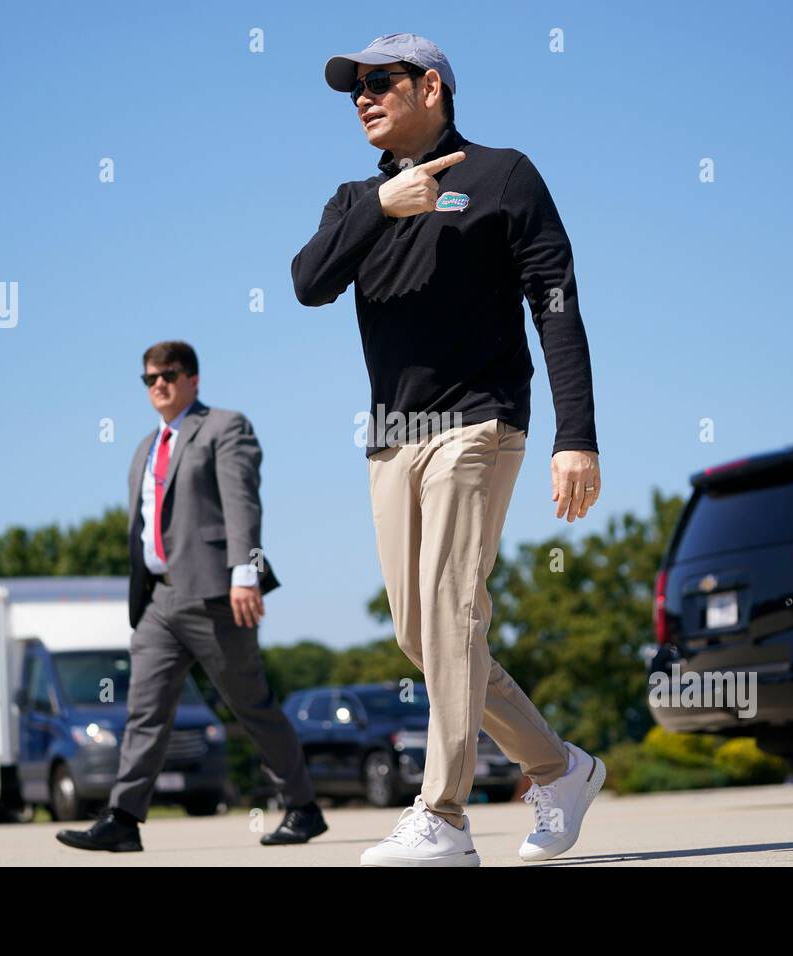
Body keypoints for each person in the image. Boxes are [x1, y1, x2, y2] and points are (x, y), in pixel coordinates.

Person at [292, 33, 606, 865]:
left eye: (379, 82)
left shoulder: (504, 175)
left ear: (431, 86)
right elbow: (307, 283)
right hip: (392, 437)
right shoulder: (354, 199)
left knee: (453, 611)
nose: (362, 97)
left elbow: (558, 304)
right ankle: (559, 767)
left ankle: (445, 816)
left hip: (479, 420)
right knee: (423, 635)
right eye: (353, 87)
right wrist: (381, 207)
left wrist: (577, 435)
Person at [56, 340, 327, 851]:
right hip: (158, 601)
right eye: (150, 378)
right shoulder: (144, 448)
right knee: (144, 711)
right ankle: (123, 820)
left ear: (194, 380)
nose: (159, 384)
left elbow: (242, 503)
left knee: (252, 706)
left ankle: (303, 807)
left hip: (216, 595)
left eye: (170, 374)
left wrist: (245, 573)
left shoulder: (225, 427)